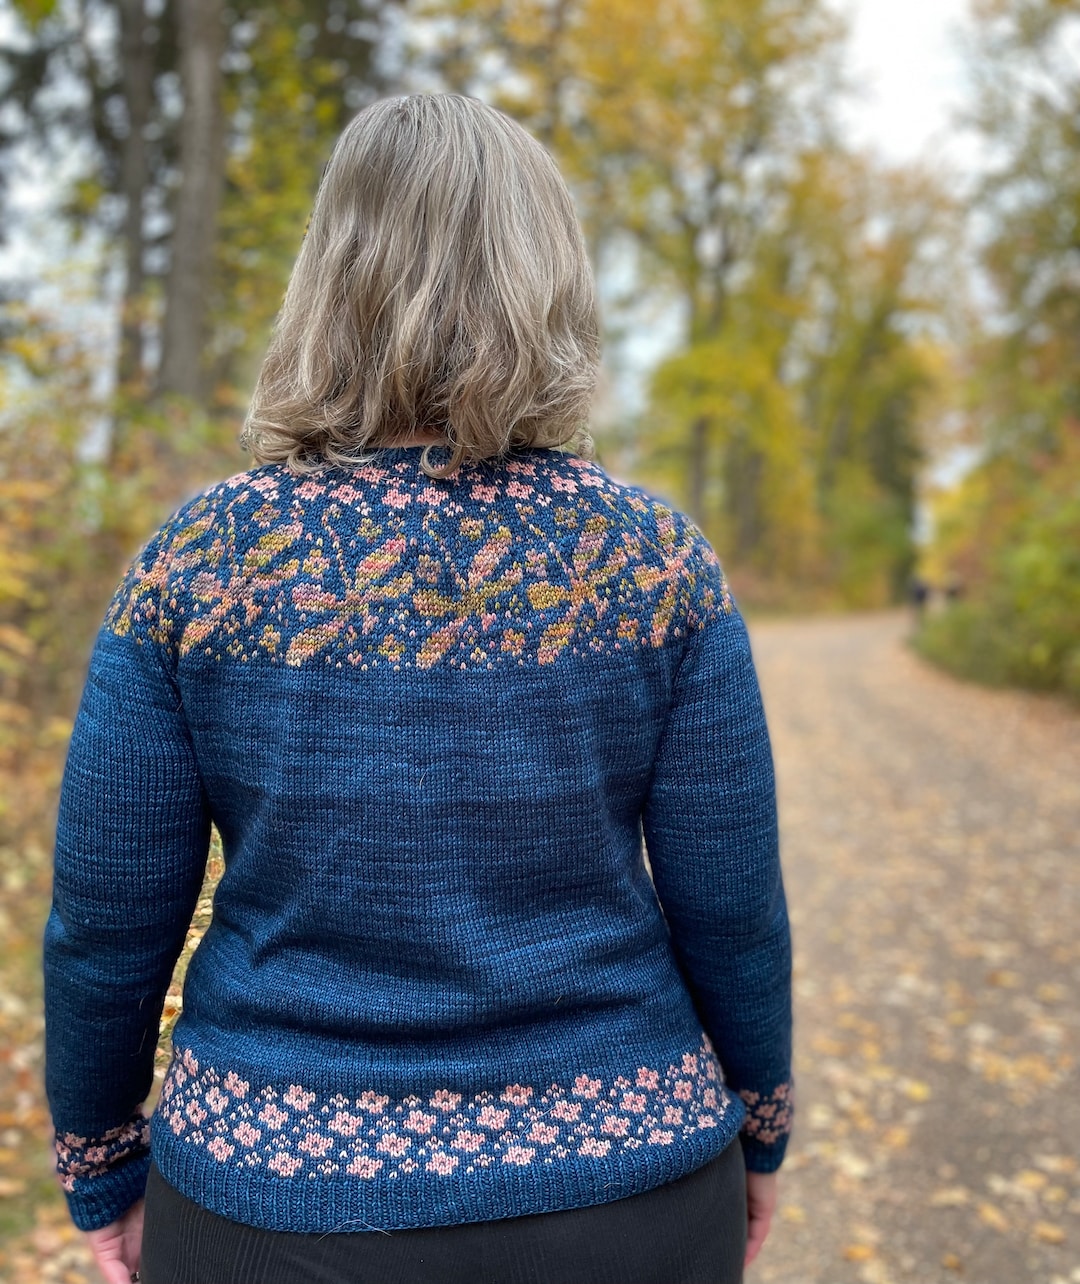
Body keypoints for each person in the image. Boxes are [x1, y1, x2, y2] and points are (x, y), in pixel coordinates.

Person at [42, 93, 793, 1284]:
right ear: (550, 280)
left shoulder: (203, 561)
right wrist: (760, 1126)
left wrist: (99, 1162)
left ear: (327, 277)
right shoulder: (654, 562)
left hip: (270, 1203)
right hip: (629, 1193)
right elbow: (733, 907)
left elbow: (105, 926)